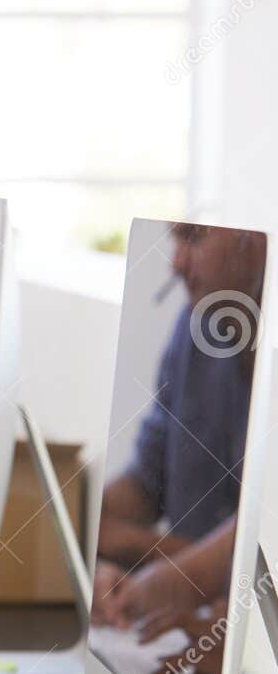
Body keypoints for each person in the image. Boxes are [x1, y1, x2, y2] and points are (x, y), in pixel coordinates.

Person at [93, 222, 265, 629]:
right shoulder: (195, 326)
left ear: (255, 235)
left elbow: (264, 531)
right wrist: (83, 526)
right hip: (186, 634)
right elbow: (146, 481)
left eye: (193, 237)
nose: (176, 264)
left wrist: (160, 579)